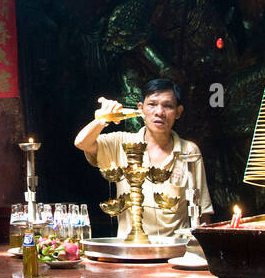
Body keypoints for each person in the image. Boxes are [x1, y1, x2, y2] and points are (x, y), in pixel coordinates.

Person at [74, 79, 215, 238]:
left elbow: (203, 210)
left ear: (178, 112)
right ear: (141, 109)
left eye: (167, 106)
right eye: (152, 105)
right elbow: (81, 142)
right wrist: (102, 119)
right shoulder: (121, 143)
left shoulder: (189, 150)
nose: (159, 112)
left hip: (176, 252)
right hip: (130, 251)